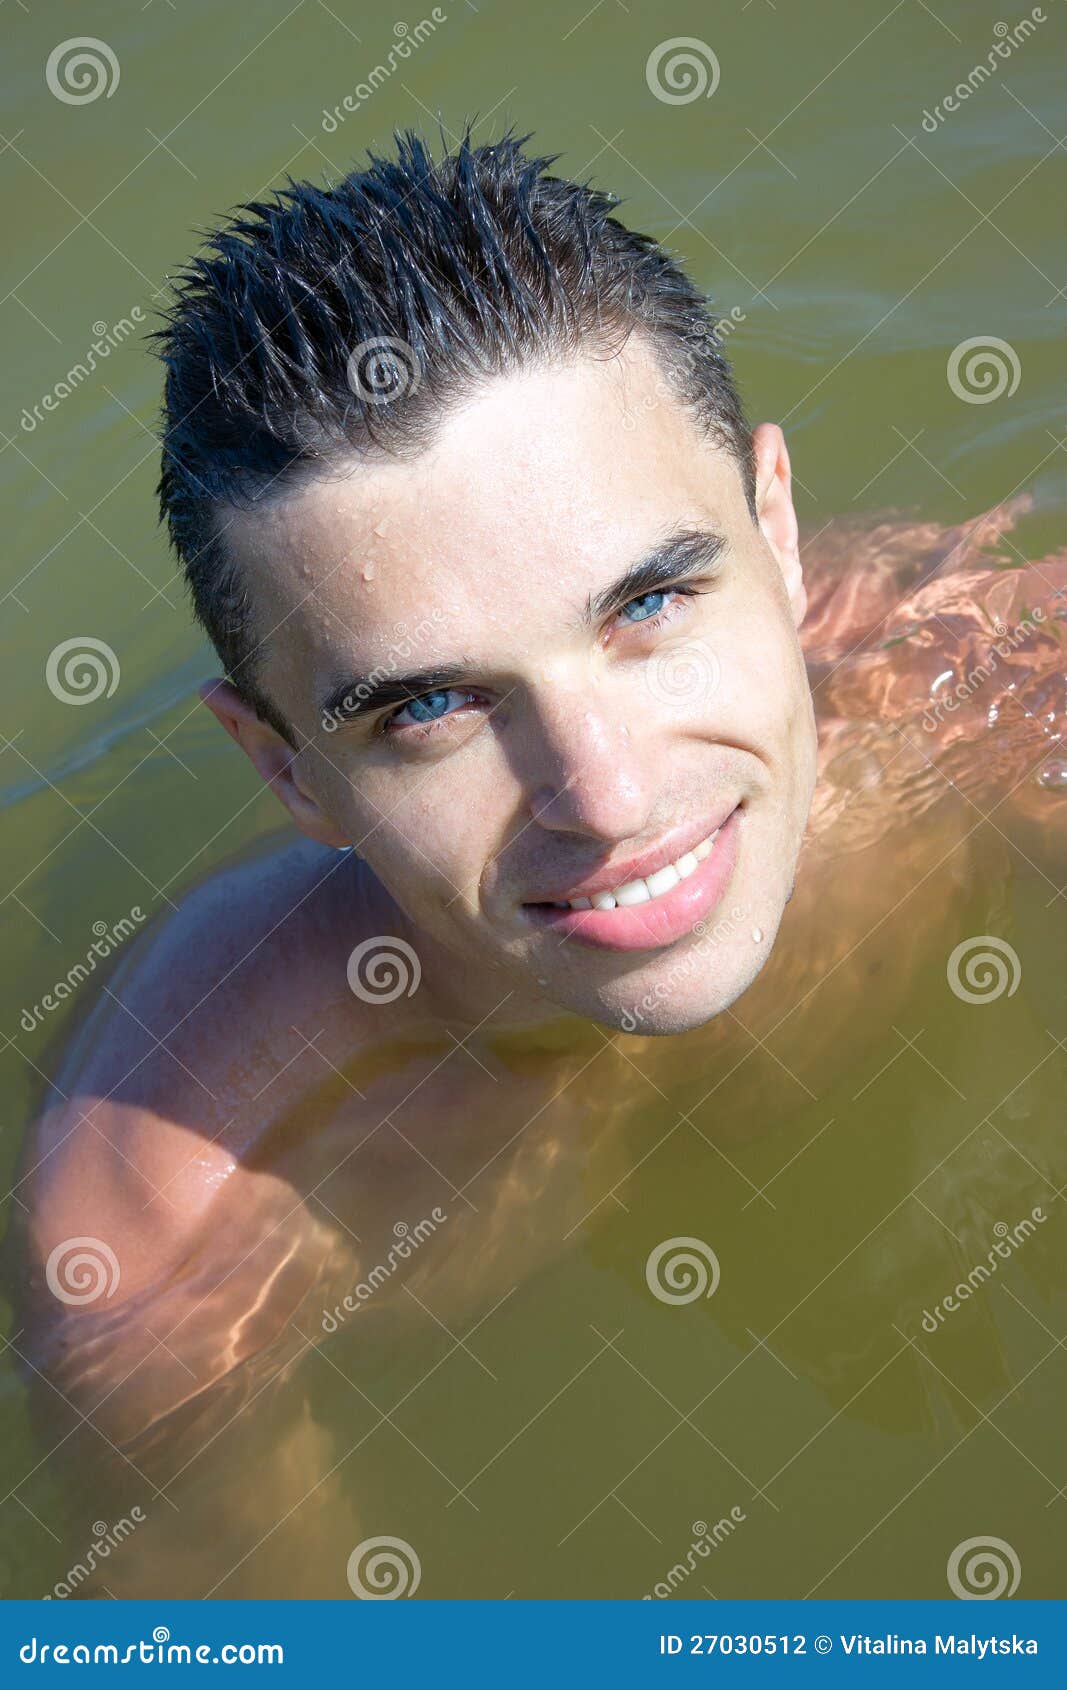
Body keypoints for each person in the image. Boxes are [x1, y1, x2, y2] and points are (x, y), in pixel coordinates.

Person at [11, 129, 1065, 1597]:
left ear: (774, 528)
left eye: (649, 601)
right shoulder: (177, 1216)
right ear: (282, 770)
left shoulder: (961, 687)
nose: (612, 794)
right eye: (431, 706)